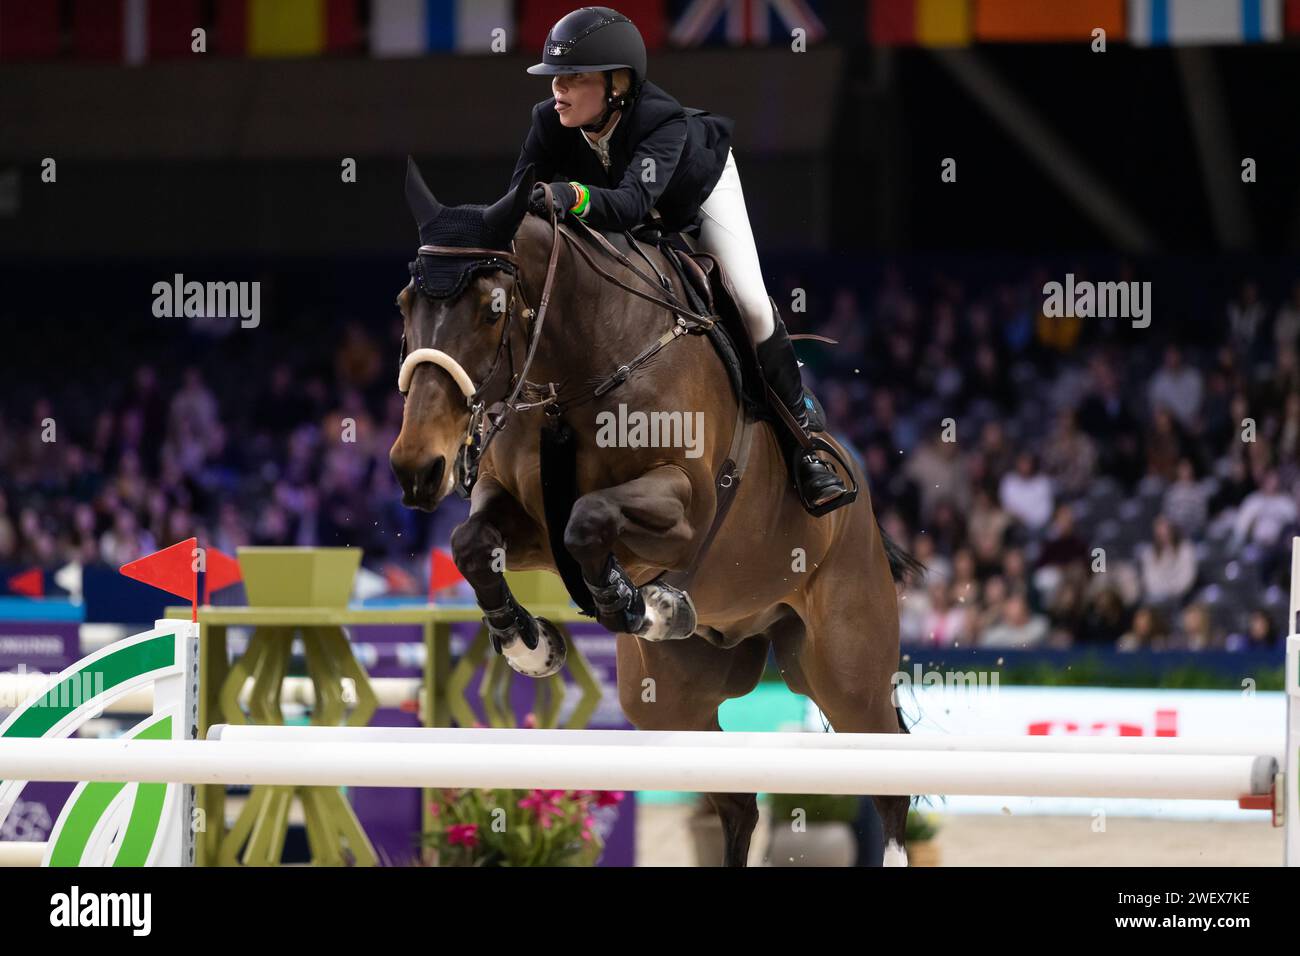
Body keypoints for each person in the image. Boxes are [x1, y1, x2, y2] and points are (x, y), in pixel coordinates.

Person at [510, 6, 850, 515]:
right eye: (557, 76)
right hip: (628, 207)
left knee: (752, 304)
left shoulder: (661, 122)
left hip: (699, 194)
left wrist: (567, 195)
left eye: (574, 77)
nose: (558, 88)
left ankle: (804, 445)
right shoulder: (548, 121)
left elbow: (627, 207)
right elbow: (516, 201)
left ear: (617, 83)